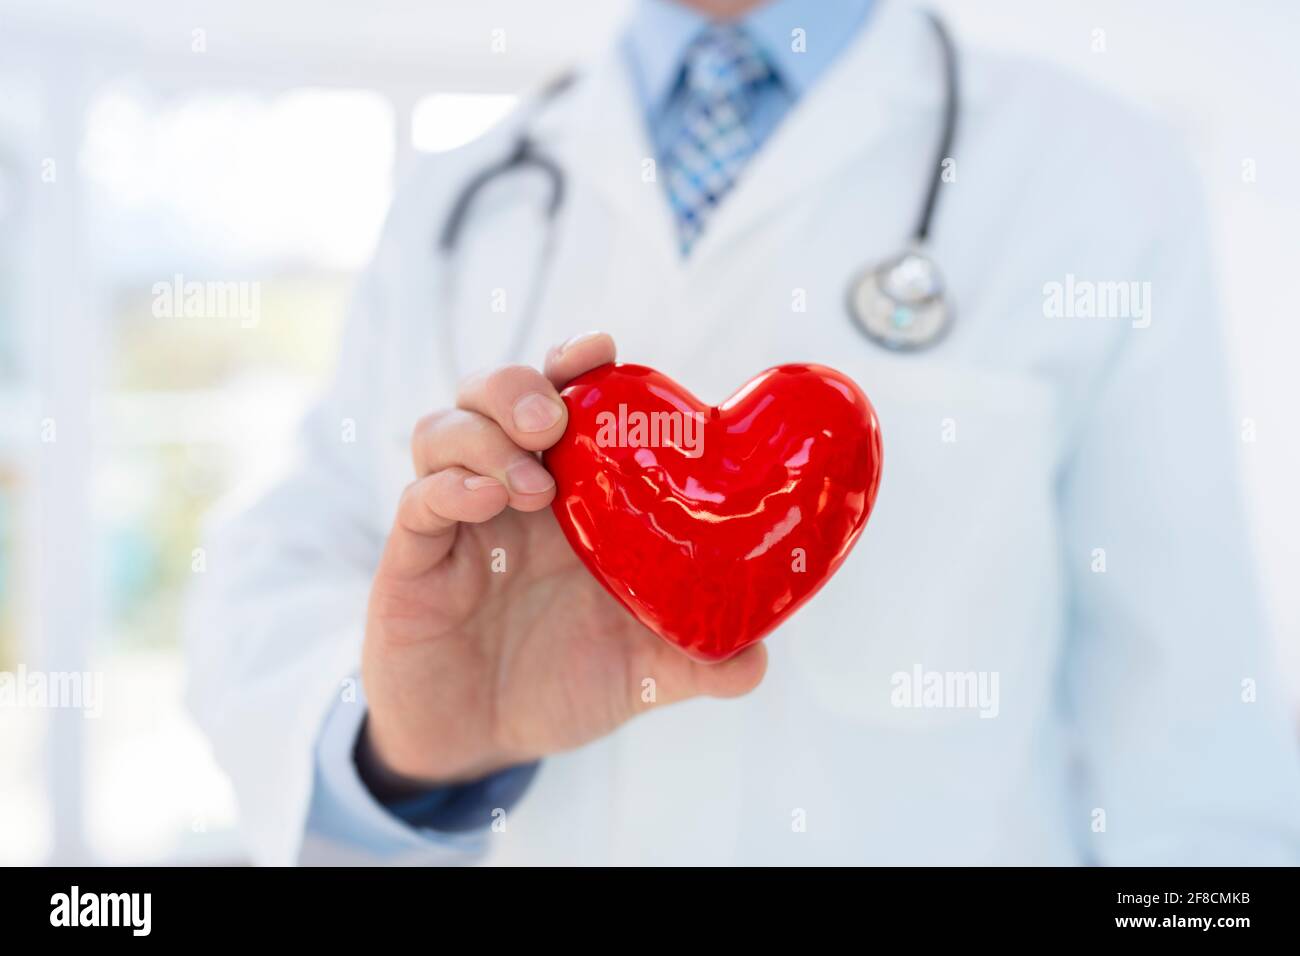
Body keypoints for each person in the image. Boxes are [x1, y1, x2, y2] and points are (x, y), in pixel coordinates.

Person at [186, 0, 1300, 864]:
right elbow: (280, 572)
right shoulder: (457, 196)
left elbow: (1192, 736)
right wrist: (405, 748)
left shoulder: (1100, 179)